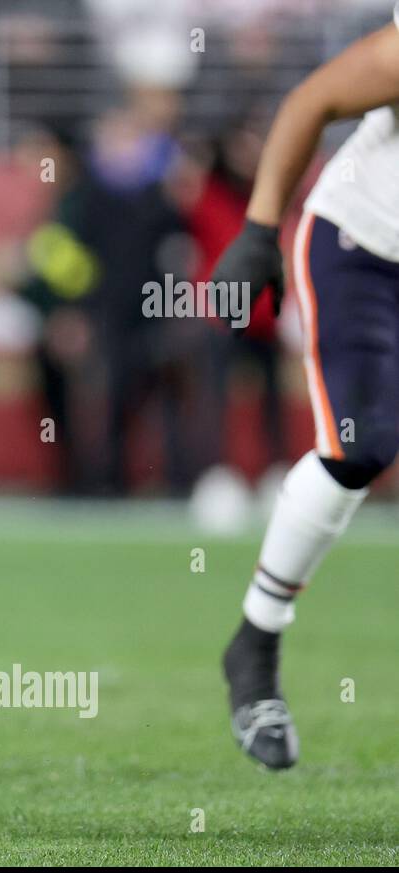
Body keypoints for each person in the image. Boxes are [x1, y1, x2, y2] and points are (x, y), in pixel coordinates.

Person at [212, 4, 399, 770]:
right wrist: (258, 231)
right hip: (364, 246)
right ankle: (255, 642)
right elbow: (310, 101)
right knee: (361, 441)